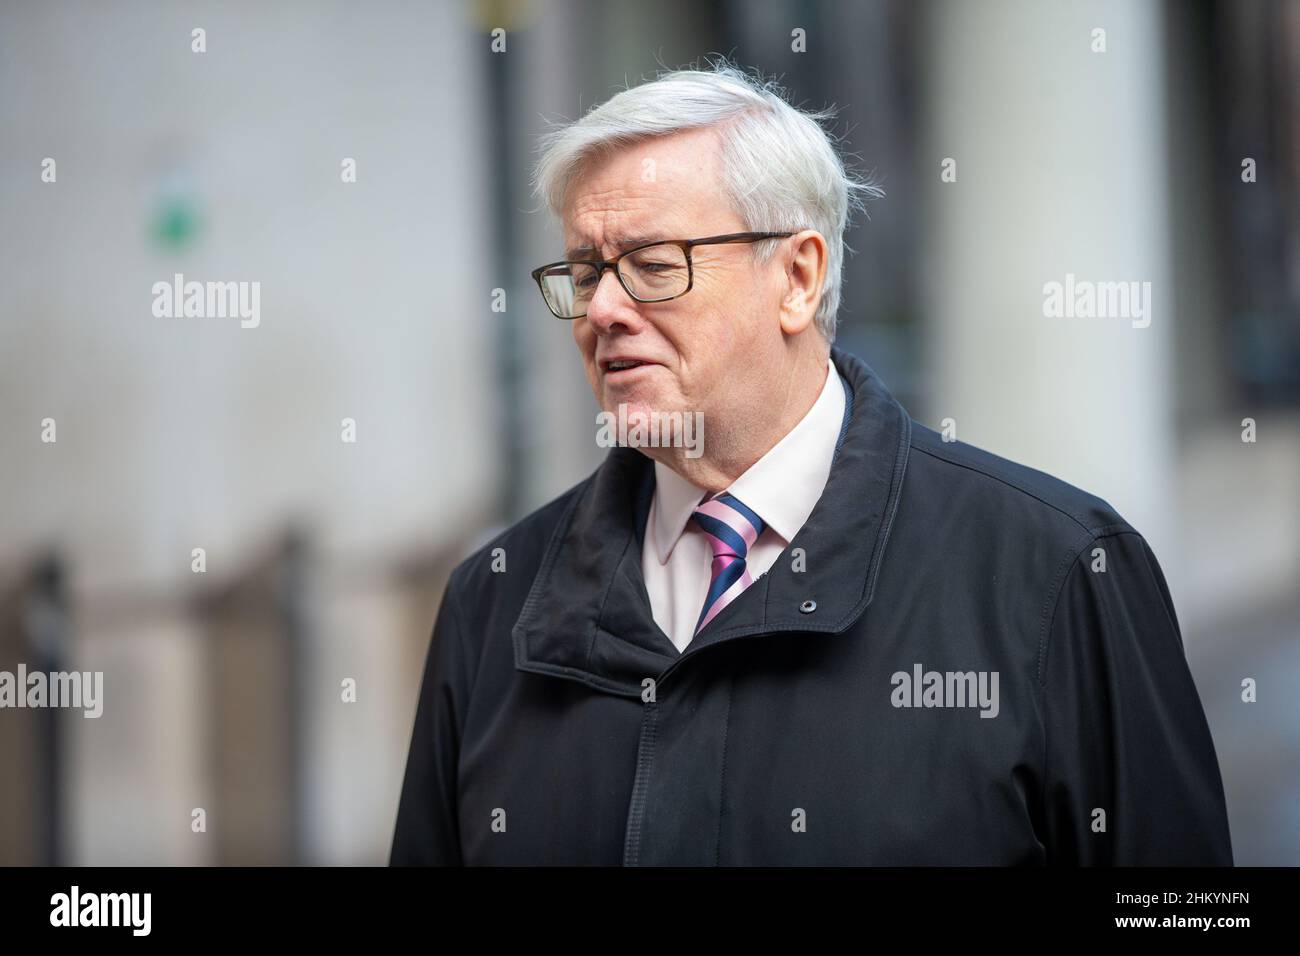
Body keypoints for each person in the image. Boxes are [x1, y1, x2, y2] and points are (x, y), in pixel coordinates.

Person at [390, 62, 1233, 865]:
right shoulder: (494, 599)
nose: (604, 309)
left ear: (797, 276)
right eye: (584, 272)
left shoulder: (1055, 571)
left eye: (651, 266)